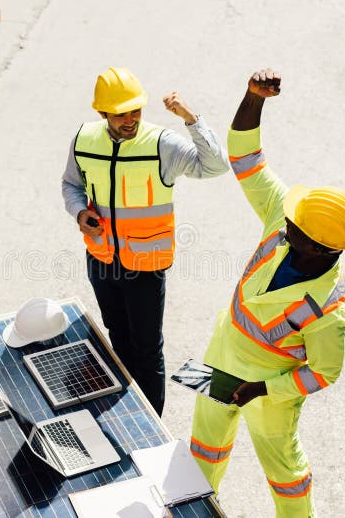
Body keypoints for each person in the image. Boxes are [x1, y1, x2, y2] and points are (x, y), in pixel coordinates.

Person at [189, 69, 345, 517]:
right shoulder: (283, 223)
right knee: (202, 451)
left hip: (268, 393)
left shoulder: (330, 309)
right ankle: (191, 509)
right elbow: (246, 160)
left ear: (319, 247)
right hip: (222, 356)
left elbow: (324, 372)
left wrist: (265, 389)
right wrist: (253, 98)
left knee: (284, 473)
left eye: (294, 225)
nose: (284, 219)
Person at [61, 67, 228, 415]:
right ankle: (126, 412)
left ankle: (152, 424)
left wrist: (190, 118)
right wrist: (80, 213)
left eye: (135, 111)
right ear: (102, 112)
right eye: (121, 114)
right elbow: (71, 185)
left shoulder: (160, 144)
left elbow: (215, 166)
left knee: (147, 349)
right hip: (102, 261)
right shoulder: (85, 139)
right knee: (117, 337)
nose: (130, 120)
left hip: (145, 267)